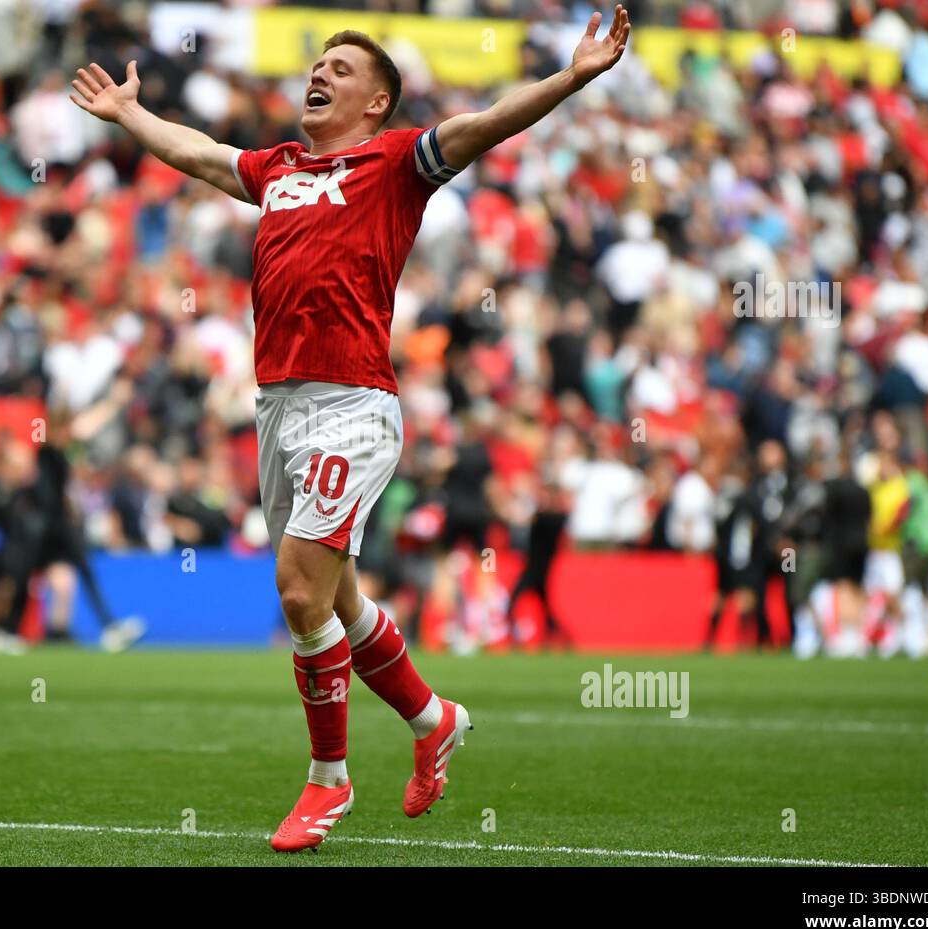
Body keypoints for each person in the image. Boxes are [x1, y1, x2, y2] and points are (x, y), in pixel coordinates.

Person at [69, 8, 632, 850]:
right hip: (277, 404)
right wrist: (128, 116)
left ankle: (327, 780)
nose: (319, 73)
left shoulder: (397, 160)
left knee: (297, 590)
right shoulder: (279, 166)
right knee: (337, 599)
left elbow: (484, 124)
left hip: (351, 403)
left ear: (377, 101)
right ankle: (433, 719)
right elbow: (196, 152)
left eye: (341, 66)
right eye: (318, 63)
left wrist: (571, 77)